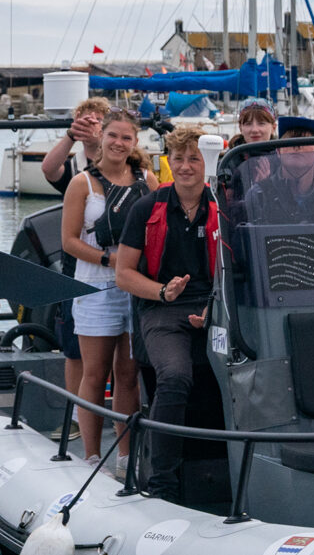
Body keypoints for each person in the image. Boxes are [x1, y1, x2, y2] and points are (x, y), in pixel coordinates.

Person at [114, 127, 218, 501]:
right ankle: (162, 483)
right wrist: (162, 291)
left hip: (215, 307)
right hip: (161, 308)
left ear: (208, 161)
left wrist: (214, 307)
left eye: (194, 158)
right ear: (168, 163)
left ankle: (240, 471)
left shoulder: (224, 206)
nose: (186, 166)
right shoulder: (146, 208)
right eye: (179, 159)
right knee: (174, 376)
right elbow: (124, 274)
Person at [58, 108, 147, 475]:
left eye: (127, 137)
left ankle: (126, 455)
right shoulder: (82, 183)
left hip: (134, 291)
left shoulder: (147, 181)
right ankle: (91, 455)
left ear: (135, 143)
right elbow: (68, 241)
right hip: (95, 286)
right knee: (94, 373)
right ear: (102, 138)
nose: (119, 143)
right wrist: (112, 262)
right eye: (113, 136)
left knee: (128, 374)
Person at [37, 95, 109, 396]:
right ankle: (75, 416)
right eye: (84, 118)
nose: (89, 123)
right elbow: (49, 169)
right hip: (75, 266)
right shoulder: (74, 168)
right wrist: (70, 135)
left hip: (116, 261)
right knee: (74, 348)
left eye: (96, 119)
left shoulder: (120, 165)